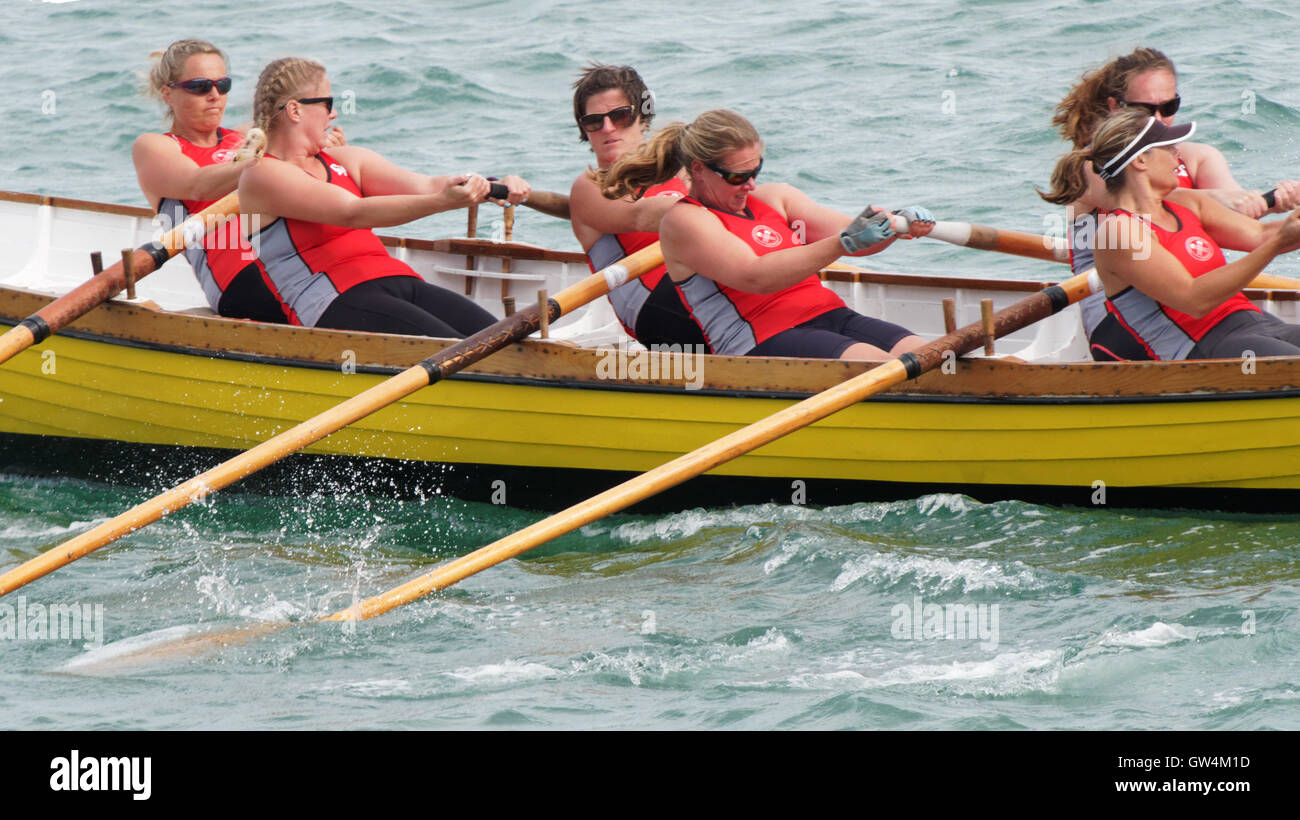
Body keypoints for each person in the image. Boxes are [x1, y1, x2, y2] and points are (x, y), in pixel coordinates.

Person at [597, 109, 933, 360]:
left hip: (833, 316)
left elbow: (855, 240)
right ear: (698, 170)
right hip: (762, 338)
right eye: (737, 176)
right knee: (884, 368)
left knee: (933, 359)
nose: (751, 184)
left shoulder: (777, 199)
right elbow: (755, 276)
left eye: (755, 171)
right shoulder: (686, 220)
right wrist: (842, 243)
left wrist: (895, 226)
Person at [237, 57, 528, 336]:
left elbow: (427, 185)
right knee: (465, 353)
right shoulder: (262, 174)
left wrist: (487, 185)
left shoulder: (348, 159)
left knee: (511, 340)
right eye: (327, 103)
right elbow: (353, 212)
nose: (334, 113)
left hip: (398, 280)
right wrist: (443, 202)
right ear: (295, 110)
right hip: (333, 300)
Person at [1051, 47, 1300, 348]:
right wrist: (1237, 208)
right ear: (1117, 106)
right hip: (1130, 322)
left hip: (1233, 316)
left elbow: (1258, 232)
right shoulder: (1094, 173)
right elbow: (1193, 297)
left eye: (1169, 106)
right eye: (1146, 109)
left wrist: (1276, 216)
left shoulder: (1185, 190)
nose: (1176, 157)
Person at [133, 40, 344, 322]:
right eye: (200, 86)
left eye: (223, 85)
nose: (215, 95)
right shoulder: (155, 147)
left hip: (289, 259)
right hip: (237, 276)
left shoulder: (247, 135)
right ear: (168, 94)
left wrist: (322, 147)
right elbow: (199, 184)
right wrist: (265, 160)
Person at [568, 64, 705, 347]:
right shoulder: (590, 187)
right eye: (594, 121)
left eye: (620, 116)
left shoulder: (680, 170)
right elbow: (642, 216)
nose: (607, 128)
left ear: (642, 116)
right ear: (584, 129)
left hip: (701, 283)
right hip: (653, 308)